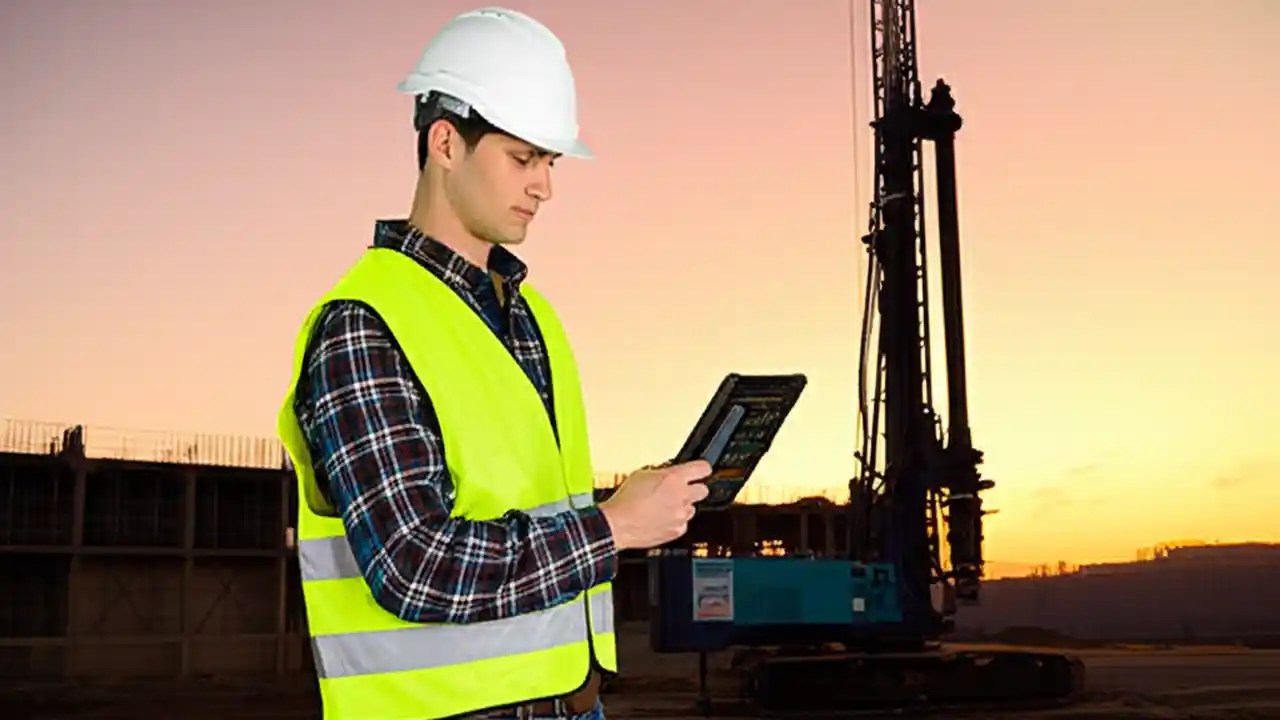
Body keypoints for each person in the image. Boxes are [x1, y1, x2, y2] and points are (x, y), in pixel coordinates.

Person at [275, 7, 711, 720]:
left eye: (549, 161)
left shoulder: (533, 320)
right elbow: (411, 564)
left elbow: (537, 501)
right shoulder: (363, 324)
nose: (545, 186)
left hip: (573, 706)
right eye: (522, 158)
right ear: (445, 142)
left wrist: (643, 503)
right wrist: (614, 527)